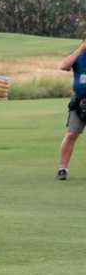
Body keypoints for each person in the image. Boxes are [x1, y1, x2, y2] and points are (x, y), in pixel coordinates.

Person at [59, 37, 86, 181]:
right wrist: (81, 50)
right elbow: (63, 66)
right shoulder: (78, 55)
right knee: (71, 134)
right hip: (79, 102)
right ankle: (63, 169)